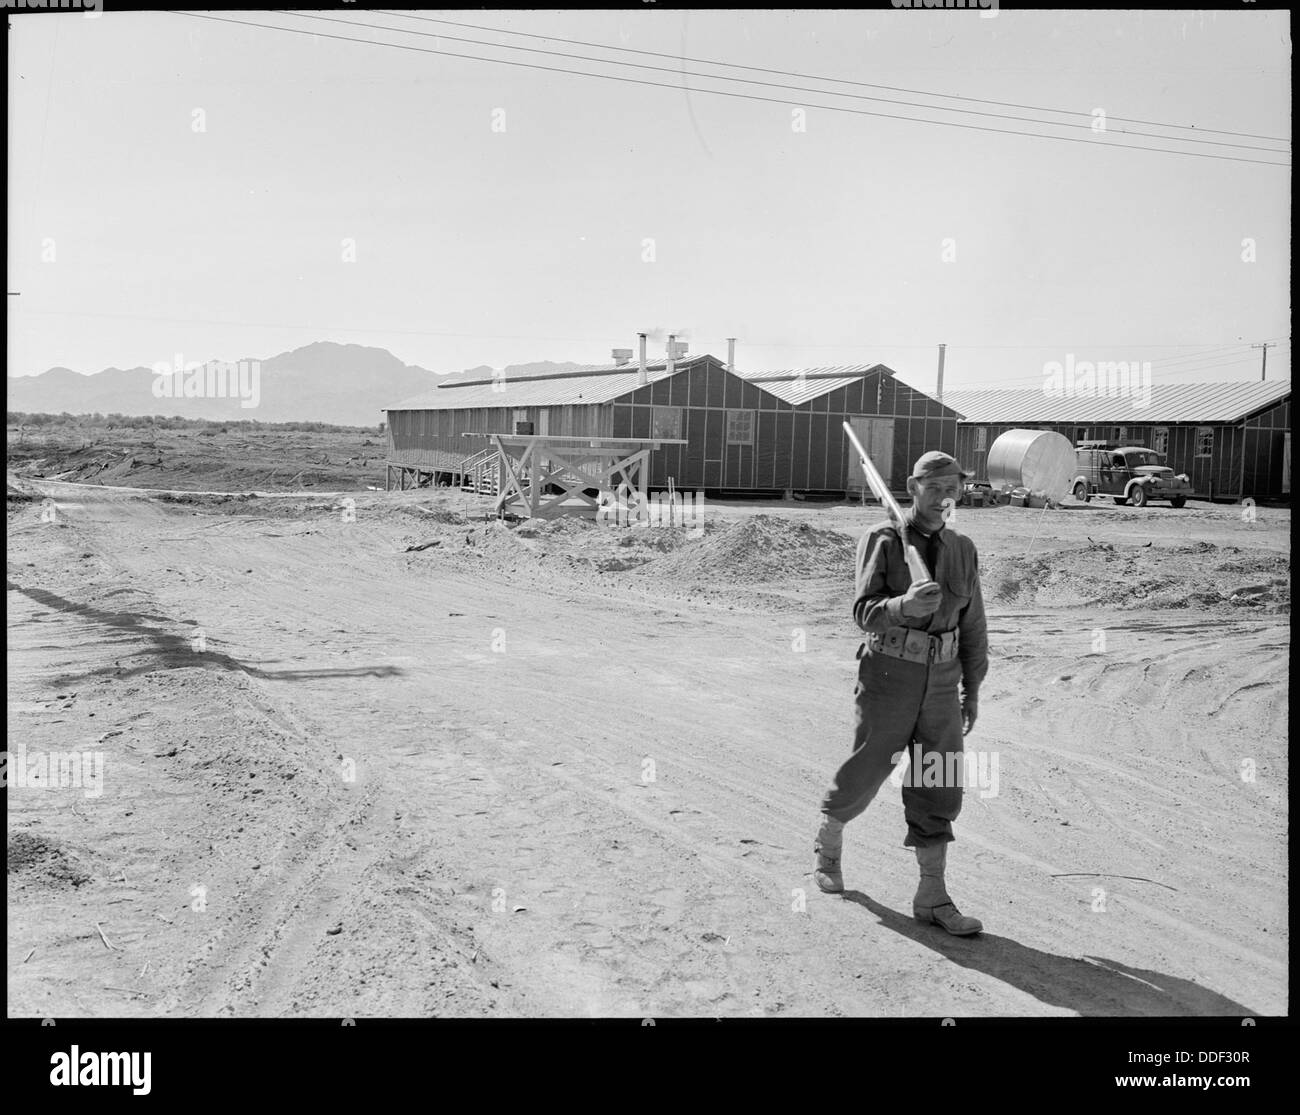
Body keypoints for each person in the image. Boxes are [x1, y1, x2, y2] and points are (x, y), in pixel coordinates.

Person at [813, 450, 989, 936]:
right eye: (934, 488)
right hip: (890, 673)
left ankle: (932, 896)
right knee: (869, 767)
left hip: (943, 681)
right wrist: (902, 605)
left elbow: (973, 623)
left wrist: (972, 686)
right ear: (913, 488)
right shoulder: (885, 540)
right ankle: (829, 843)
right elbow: (863, 612)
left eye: (953, 487)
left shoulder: (962, 549)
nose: (944, 497)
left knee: (941, 779)